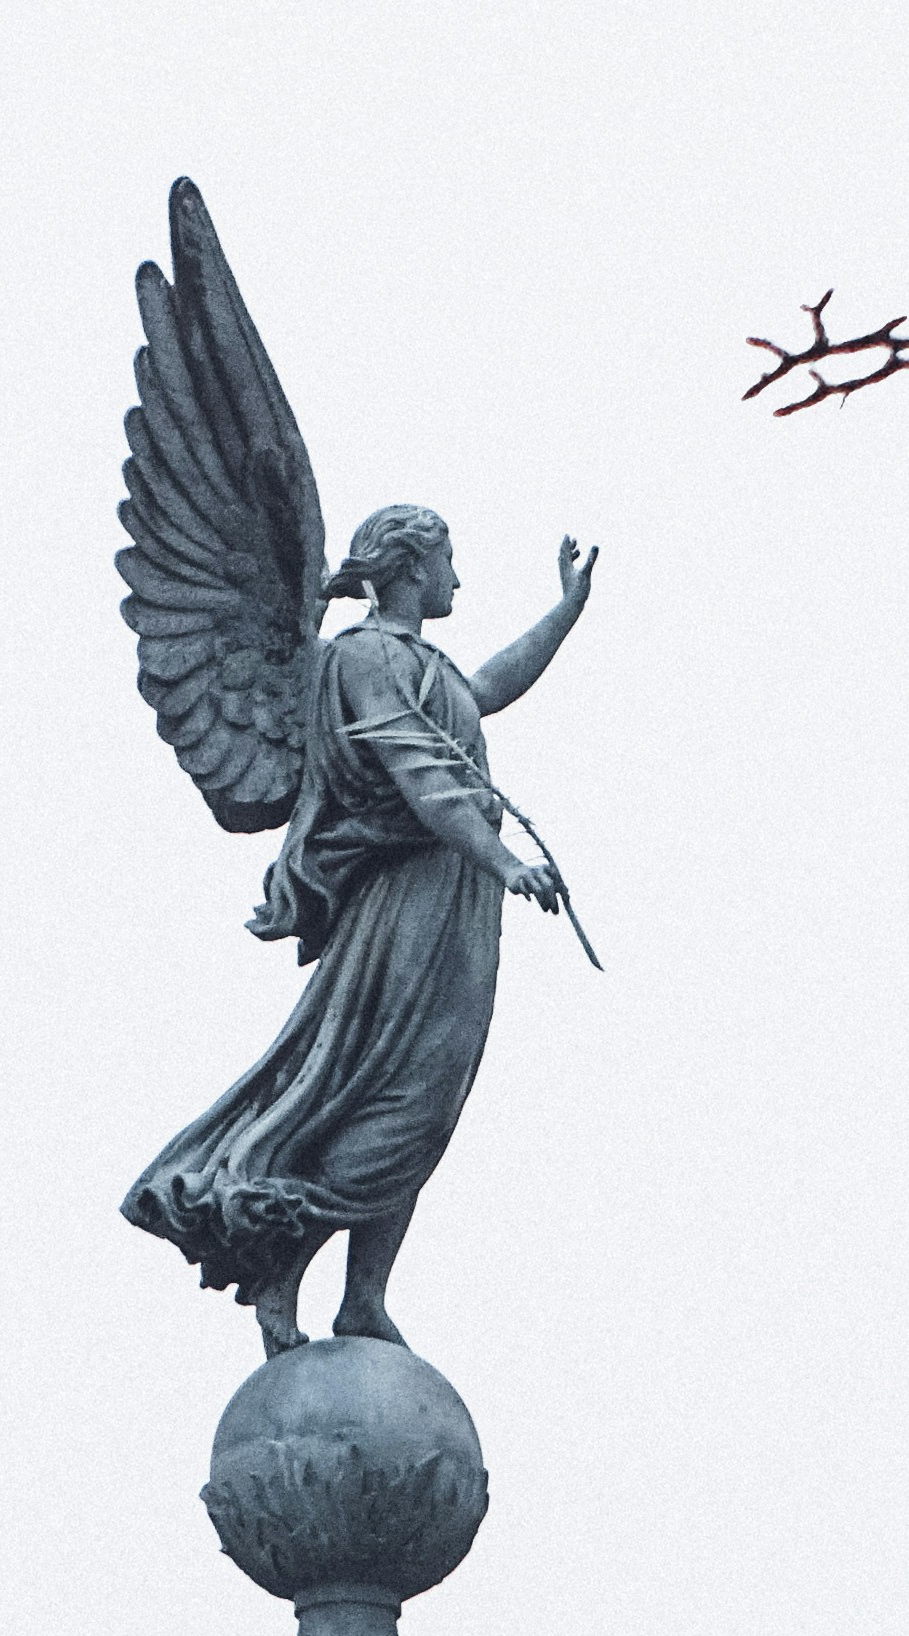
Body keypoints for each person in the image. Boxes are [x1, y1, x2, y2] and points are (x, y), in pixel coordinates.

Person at [124, 508, 595, 1352]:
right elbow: (419, 772)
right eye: (450, 558)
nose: (459, 577)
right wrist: (505, 860)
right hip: (407, 901)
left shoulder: (421, 662)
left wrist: (565, 612)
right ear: (412, 568)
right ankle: (282, 1269)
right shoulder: (360, 655)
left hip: (456, 904)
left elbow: (483, 691)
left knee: (429, 1097)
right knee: (377, 1088)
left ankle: (364, 1296)